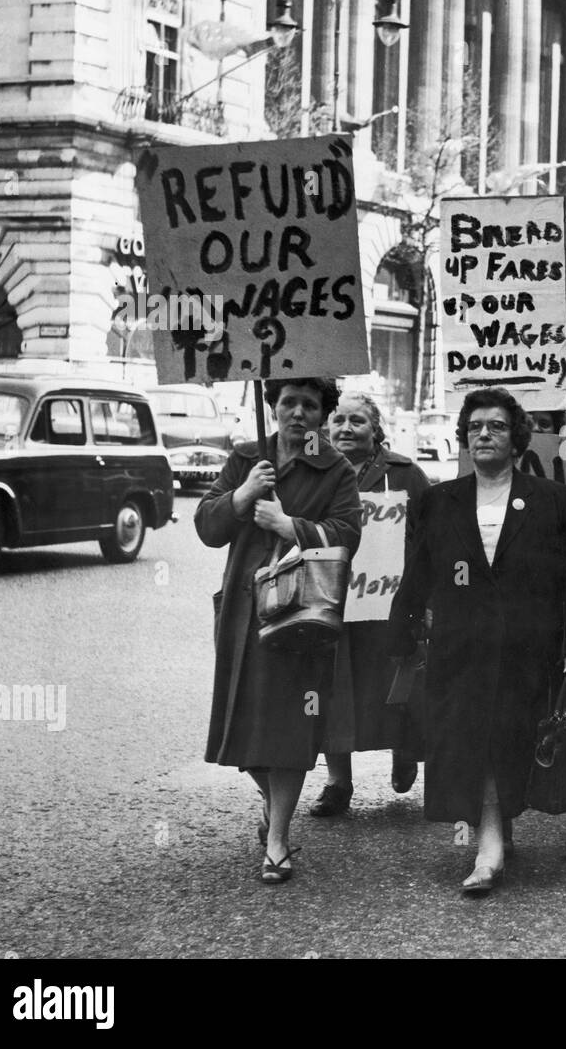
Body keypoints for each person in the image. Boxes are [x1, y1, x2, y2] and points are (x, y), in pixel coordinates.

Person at [389, 387, 566, 894]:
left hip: (527, 648)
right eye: (475, 425)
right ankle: (489, 846)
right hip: (461, 649)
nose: (484, 433)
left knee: (512, 739)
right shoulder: (440, 500)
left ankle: (499, 828)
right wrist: (402, 629)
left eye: (497, 425)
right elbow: (417, 574)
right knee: (470, 741)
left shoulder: (552, 501)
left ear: (516, 437)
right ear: (464, 436)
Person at [196, 378, 362, 884]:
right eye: (287, 402)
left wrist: (290, 525)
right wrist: (244, 494)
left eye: (309, 405)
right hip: (245, 615)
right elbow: (207, 527)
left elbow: (348, 535)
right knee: (242, 722)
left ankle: (278, 840)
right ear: (272, 405)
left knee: (289, 725)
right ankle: (273, 802)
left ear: (321, 414)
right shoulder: (246, 459)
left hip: (301, 617)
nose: (297, 413)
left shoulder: (335, 468)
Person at [311, 392, 430, 819]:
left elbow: (428, 534)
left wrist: (423, 597)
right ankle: (337, 781)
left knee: (395, 683)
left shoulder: (405, 473)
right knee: (335, 689)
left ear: (375, 429)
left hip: (389, 603)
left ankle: (405, 750)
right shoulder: (315, 471)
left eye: (357, 421)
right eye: (338, 420)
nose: (346, 428)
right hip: (332, 599)